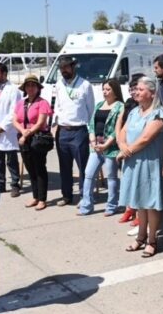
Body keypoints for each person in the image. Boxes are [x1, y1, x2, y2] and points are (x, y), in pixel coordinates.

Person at [118, 77, 163, 258]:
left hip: (150, 163)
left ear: (152, 93)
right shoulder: (134, 111)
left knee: (151, 203)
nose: (136, 92)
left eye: (140, 89)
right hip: (133, 161)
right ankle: (140, 237)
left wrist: (126, 151)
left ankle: (152, 240)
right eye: (136, 89)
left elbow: (146, 139)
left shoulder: (158, 114)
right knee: (139, 201)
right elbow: (123, 132)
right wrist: (122, 146)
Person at [52, 56, 95, 206]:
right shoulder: (58, 85)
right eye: (61, 68)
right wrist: (54, 125)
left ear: (73, 67)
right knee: (64, 166)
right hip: (63, 131)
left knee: (83, 166)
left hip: (79, 131)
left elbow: (91, 110)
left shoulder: (85, 85)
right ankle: (67, 196)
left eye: (66, 67)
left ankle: (85, 196)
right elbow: (57, 107)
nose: (63, 71)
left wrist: (91, 132)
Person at [78, 79, 125, 216]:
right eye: (104, 89)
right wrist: (92, 141)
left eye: (108, 89)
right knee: (89, 174)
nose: (105, 92)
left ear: (115, 91)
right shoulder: (99, 105)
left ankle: (111, 205)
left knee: (111, 177)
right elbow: (92, 124)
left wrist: (106, 144)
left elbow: (117, 129)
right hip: (96, 145)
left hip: (111, 147)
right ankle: (86, 205)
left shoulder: (120, 107)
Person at [13, 75, 53, 211]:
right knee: (30, 168)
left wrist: (27, 133)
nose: (30, 88)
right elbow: (15, 120)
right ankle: (35, 196)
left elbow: (41, 122)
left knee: (40, 168)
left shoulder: (42, 103)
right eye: (28, 86)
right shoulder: (21, 103)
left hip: (37, 138)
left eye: (33, 85)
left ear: (38, 88)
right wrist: (23, 132)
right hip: (24, 139)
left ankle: (42, 198)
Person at [0, 63, 22, 197]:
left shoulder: (14, 90)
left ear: (4, 74)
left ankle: (15, 184)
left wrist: (2, 127)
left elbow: (15, 111)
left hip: (8, 130)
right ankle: (0, 183)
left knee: (11, 159)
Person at [116, 73, 144, 226]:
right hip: (125, 146)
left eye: (136, 89)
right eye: (131, 89)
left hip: (137, 148)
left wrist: (128, 148)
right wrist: (120, 143)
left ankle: (140, 212)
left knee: (138, 182)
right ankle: (129, 208)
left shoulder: (145, 105)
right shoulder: (128, 104)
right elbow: (120, 123)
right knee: (127, 179)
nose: (133, 92)